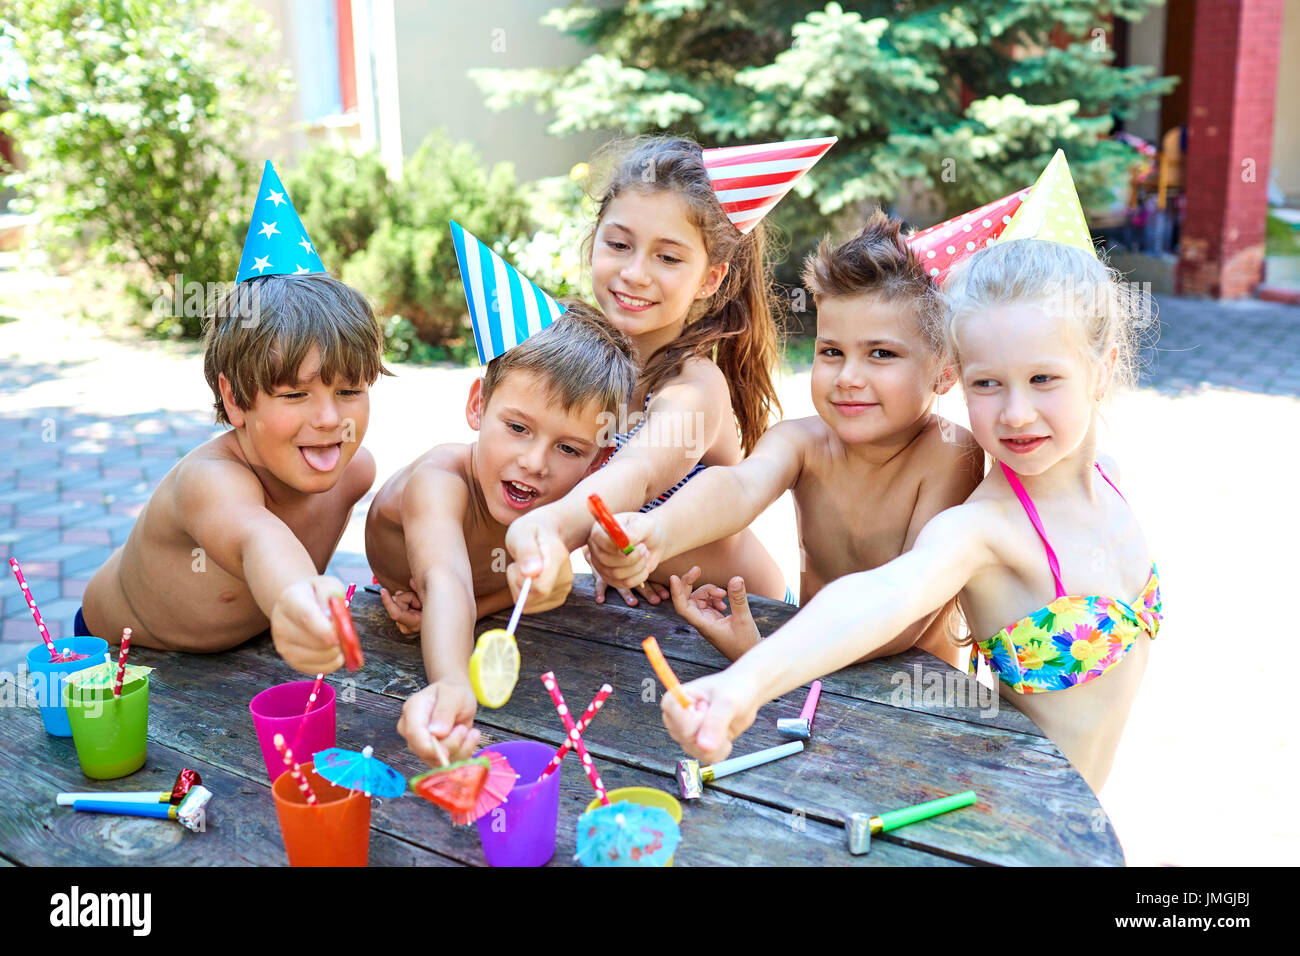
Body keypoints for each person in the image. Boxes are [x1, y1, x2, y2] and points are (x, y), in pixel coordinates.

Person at [662, 238, 1161, 793]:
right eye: (987, 383)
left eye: (1043, 379)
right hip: (1015, 820)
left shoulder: (1112, 478)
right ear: (960, 377)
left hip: (1085, 822)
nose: (1016, 414)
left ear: (1102, 369)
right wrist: (744, 684)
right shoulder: (981, 529)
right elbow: (882, 596)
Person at [586, 210, 984, 666]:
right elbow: (737, 487)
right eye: (831, 352)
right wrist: (657, 532)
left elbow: (908, 608)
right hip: (816, 670)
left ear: (946, 371)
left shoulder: (952, 452)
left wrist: (770, 657)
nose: (849, 377)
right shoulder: (801, 442)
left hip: (911, 696)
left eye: (881, 353)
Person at [79, 162, 387, 674]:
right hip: (120, 656)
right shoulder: (209, 481)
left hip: (240, 655)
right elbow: (255, 538)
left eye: (349, 389)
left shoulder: (356, 473)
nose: (331, 418)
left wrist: (404, 584)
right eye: (294, 395)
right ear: (237, 399)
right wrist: (292, 597)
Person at [505, 135, 835, 609]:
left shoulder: (695, 386)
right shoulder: (578, 364)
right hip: (660, 617)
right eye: (619, 244)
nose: (635, 273)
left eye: (668, 257)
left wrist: (552, 528)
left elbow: (638, 471)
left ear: (710, 278)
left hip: (753, 624)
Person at [374, 300, 638, 765]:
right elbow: (445, 581)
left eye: (568, 449)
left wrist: (617, 560)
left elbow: (507, 590)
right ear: (478, 404)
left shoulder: (566, 504)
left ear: (598, 463)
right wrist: (452, 683)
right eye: (518, 427)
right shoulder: (440, 482)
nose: (535, 463)